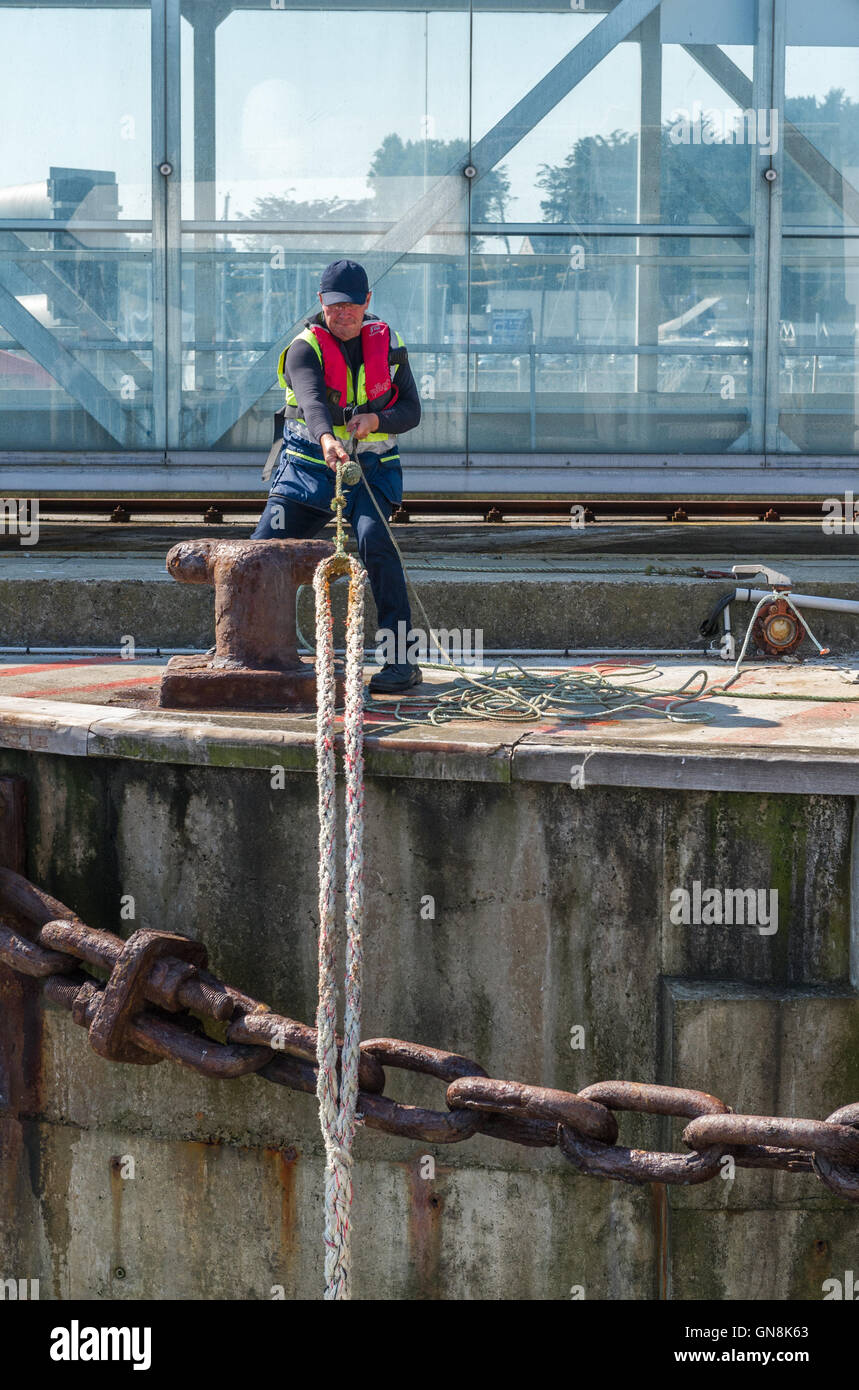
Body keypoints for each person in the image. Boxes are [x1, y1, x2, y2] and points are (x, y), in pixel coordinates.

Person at [252, 259, 422, 693]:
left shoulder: (390, 345)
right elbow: (310, 402)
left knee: (375, 542)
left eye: (350, 305)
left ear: (367, 302)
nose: (341, 314)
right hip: (309, 469)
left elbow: (411, 412)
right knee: (259, 552)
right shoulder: (304, 347)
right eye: (332, 306)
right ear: (320, 303)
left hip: (368, 471)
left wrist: (377, 418)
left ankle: (401, 663)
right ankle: (247, 652)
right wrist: (327, 438)